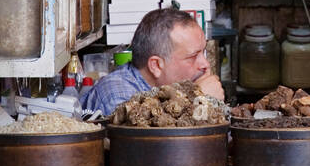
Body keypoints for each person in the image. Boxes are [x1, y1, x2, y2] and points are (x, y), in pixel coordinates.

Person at [81, 8, 224, 117]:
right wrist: (198, 98)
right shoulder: (117, 93)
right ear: (155, 65)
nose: (205, 64)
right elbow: (150, 150)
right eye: (193, 56)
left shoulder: (175, 89)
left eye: (203, 52)